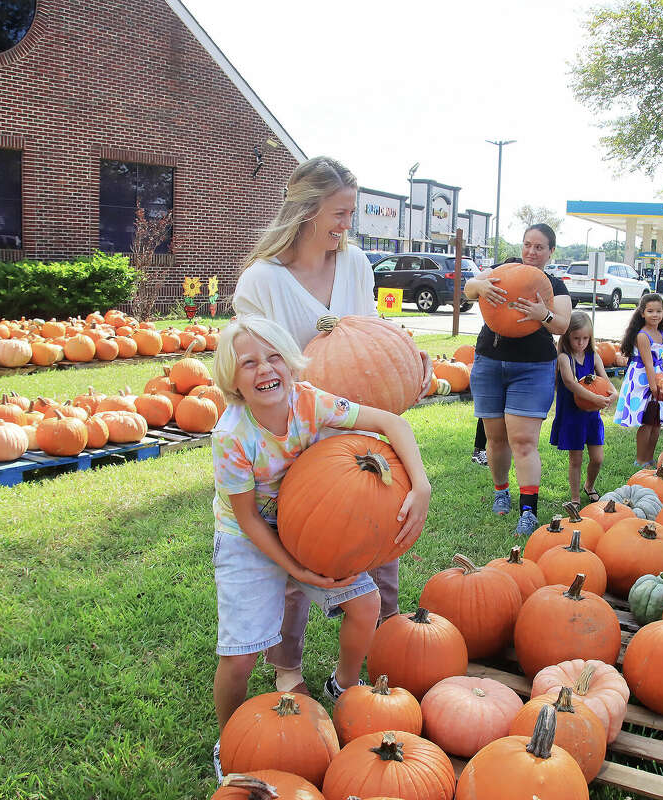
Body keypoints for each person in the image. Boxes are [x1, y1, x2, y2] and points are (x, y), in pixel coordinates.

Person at [232, 156, 429, 699]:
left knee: (380, 547)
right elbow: (249, 364)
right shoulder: (262, 281)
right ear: (307, 209)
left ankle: (365, 668)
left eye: (351, 212)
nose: (348, 223)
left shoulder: (358, 264)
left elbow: (366, 341)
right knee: (298, 552)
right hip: (294, 440)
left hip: (358, 433)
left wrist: (407, 365)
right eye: (339, 212)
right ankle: (287, 666)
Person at [209, 316, 431, 778]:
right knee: (240, 654)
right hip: (248, 542)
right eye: (248, 363)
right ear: (231, 378)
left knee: (366, 603)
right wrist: (298, 569)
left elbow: (389, 422)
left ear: (290, 362)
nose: (264, 369)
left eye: (273, 357)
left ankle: (344, 683)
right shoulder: (232, 435)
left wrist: (421, 486)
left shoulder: (309, 402)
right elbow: (248, 517)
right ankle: (228, 737)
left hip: (310, 526)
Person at [463, 224, 572, 534]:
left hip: (533, 368)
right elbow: (469, 287)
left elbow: (562, 324)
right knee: (496, 439)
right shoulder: (503, 271)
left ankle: (529, 510)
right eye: (527, 245)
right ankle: (501, 493)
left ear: (551, 252)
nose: (531, 252)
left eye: (539, 247)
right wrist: (480, 288)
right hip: (490, 363)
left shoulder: (554, 286)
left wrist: (543, 314)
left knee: (523, 441)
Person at [550, 311, 617, 504]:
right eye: (576, 338)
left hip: (591, 416)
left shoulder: (593, 355)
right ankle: (575, 497)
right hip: (572, 416)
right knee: (576, 459)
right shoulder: (564, 358)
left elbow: (604, 378)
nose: (581, 343)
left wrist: (614, 392)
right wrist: (596, 398)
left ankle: (589, 485)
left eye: (585, 338)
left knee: (597, 458)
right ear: (567, 337)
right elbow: (571, 384)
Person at [614, 293, 663, 467]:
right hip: (642, 380)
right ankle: (640, 459)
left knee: (656, 422)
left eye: (659, 311)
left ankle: (650, 458)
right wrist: (653, 388)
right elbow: (647, 364)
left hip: (659, 379)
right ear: (642, 313)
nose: (655, 315)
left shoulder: (662, 334)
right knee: (646, 421)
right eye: (651, 311)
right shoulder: (642, 336)